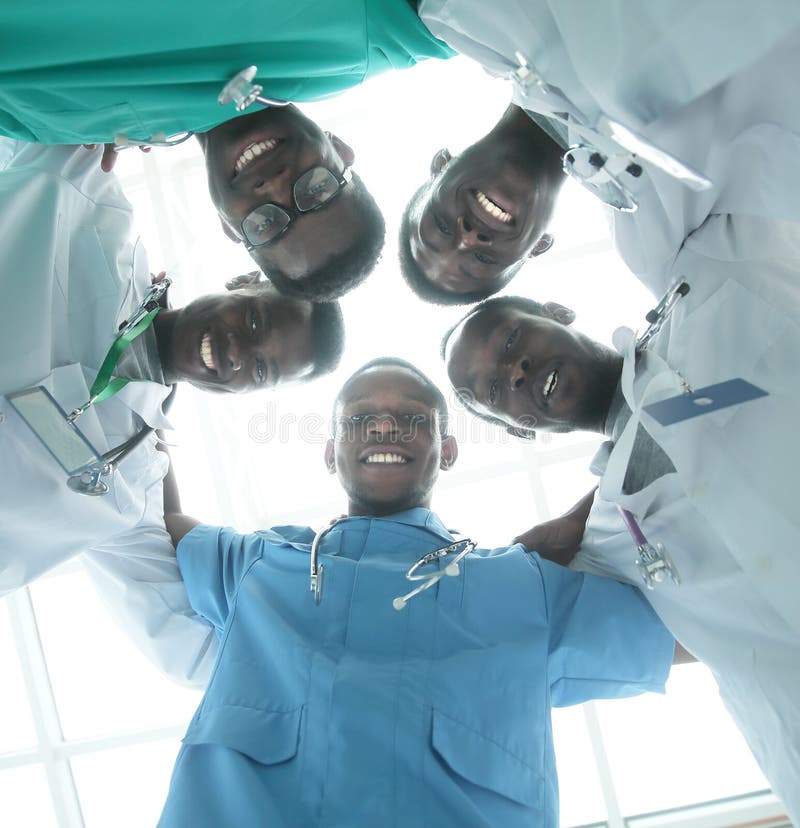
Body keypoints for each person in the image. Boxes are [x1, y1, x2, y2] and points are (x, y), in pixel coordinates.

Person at [157, 357, 675, 827]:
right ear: (330, 453)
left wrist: (584, 514)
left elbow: (689, 631)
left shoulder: (520, 587)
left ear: (447, 451)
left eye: (412, 419)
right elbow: (156, 516)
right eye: (357, 420)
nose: (383, 426)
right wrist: (151, 386)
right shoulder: (259, 566)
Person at [441, 204, 800, 819]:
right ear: (520, 430)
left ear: (556, 311)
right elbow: (495, 614)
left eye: (510, 341)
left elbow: (725, 396)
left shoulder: (704, 301)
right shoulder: (607, 539)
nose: (517, 369)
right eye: (496, 391)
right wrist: (568, 525)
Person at [0, 139, 345, 685]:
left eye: (260, 370)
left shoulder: (130, 489)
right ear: (245, 280)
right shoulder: (95, 211)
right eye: (255, 322)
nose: (237, 351)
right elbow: (23, 109)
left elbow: (200, 650)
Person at [0, 1, 454, 300]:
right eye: (316, 190)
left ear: (228, 225)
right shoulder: (353, 41)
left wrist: (93, 118)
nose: (276, 186)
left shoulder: (56, 119)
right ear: (340, 149)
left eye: (266, 223)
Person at [402, 1, 800, 303]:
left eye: (439, 227)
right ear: (539, 245)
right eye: (484, 262)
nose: (469, 238)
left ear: (440, 165)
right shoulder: (658, 234)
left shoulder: (465, 18)